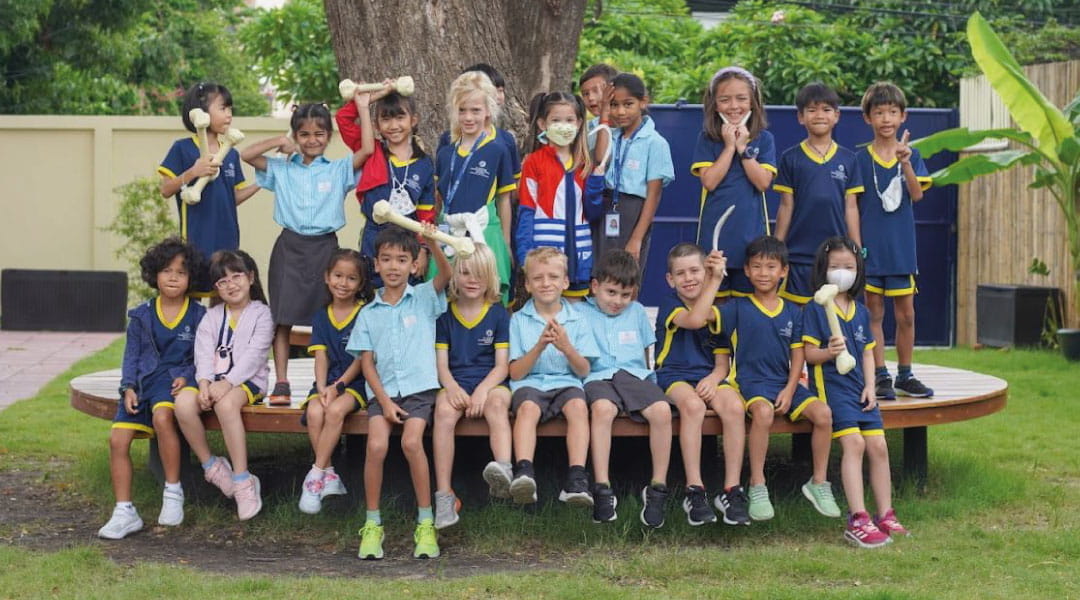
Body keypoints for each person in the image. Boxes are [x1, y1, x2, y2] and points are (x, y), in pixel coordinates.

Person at [241, 102, 374, 406]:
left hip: (326, 248)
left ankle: (327, 378)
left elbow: (367, 149)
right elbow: (245, 154)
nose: (312, 140)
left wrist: (363, 108)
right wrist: (280, 141)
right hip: (289, 247)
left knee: (327, 313)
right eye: (304, 134)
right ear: (295, 136)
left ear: (329, 136)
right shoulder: (281, 169)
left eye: (319, 134)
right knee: (282, 317)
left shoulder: (339, 169)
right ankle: (282, 381)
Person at [347, 224, 451, 560]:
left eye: (402, 259)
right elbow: (366, 364)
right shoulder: (367, 314)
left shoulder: (424, 298)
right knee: (376, 445)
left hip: (419, 391)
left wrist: (433, 243)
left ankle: (426, 522)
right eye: (387, 259)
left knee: (410, 442)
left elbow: (446, 274)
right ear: (376, 264)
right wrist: (385, 401)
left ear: (414, 265)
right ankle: (373, 524)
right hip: (383, 393)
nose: (394, 266)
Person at [719, 236, 839, 522]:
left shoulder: (793, 311)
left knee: (824, 414)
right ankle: (757, 484)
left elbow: (798, 355)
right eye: (756, 266)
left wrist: (789, 388)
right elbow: (705, 322)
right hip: (750, 383)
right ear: (746, 270)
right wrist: (713, 276)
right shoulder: (736, 307)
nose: (763, 273)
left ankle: (819, 482)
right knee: (763, 413)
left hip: (784, 383)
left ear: (784, 271)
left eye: (771, 266)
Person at [803, 237, 910, 548]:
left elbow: (867, 353)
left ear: (859, 271)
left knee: (879, 446)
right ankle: (858, 518)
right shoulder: (815, 308)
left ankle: (885, 514)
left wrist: (871, 386)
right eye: (835, 266)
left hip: (860, 391)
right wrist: (828, 352)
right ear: (823, 269)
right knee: (854, 444)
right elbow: (808, 354)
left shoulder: (861, 311)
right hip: (833, 391)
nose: (842, 272)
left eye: (849, 267)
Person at [98, 238, 206, 539]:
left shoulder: (199, 316)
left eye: (181, 272)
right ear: (154, 274)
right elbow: (131, 356)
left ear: (191, 278)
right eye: (167, 270)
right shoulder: (141, 315)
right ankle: (124, 511)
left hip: (170, 384)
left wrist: (187, 377)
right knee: (117, 440)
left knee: (162, 417)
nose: (173, 277)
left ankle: (172, 492)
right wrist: (128, 386)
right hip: (142, 384)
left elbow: (202, 358)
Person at [174, 250, 274, 521]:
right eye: (223, 281)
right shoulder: (212, 316)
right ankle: (213, 467)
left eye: (236, 276)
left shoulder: (262, 314)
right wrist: (204, 384)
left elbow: (255, 356)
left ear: (250, 277)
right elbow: (203, 352)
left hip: (248, 381)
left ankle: (242, 479)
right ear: (216, 288)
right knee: (183, 404)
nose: (231, 285)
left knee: (227, 405)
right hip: (214, 381)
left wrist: (227, 383)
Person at [654, 243, 749, 527]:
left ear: (704, 272)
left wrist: (713, 378)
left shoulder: (717, 313)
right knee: (693, 406)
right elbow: (694, 320)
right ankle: (694, 490)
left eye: (695, 271)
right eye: (680, 273)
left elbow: (722, 362)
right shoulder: (670, 305)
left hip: (708, 376)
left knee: (734, 407)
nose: (689, 278)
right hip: (674, 375)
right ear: (670, 279)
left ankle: (731, 490)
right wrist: (715, 279)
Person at [580, 250, 673, 528]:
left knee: (662, 410)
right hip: (598, 376)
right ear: (595, 286)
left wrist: (647, 385)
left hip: (633, 376)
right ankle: (602, 487)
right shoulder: (579, 313)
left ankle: (657, 488)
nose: (617, 301)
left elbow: (645, 355)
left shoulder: (637, 311)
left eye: (625, 295)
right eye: (611, 292)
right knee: (603, 409)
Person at [856, 82, 934, 399]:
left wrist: (905, 162)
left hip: (901, 251)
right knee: (873, 313)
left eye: (892, 112)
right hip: (870, 251)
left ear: (903, 116)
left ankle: (905, 374)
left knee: (907, 315)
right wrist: (857, 248)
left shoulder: (911, 156)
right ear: (867, 118)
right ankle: (880, 375)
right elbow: (852, 206)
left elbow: (917, 194)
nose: (886, 119)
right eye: (879, 113)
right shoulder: (859, 159)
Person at [507, 247, 599, 506]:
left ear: (565, 282)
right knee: (527, 409)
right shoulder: (518, 320)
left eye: (553, 277)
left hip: (566, 382)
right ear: (527, 285)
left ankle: (577, 479)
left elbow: (584, 370)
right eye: (538, 278)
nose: (546, 283)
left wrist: (566, 348)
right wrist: (539, 347)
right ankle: (524, 472)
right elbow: (515, 372)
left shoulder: (578, 319)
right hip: (530, 383)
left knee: (578, 407)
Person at [431, 245, 513, 529]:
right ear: (455, 275)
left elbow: (502, 366)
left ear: (491, 277)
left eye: (480, 274)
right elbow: (442, 366)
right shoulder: (444, 314)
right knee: (443, 412)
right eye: (465, 272)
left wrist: (482, 391)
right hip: (456, 381)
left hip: (491, 381)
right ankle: (444, 496)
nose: (472, 280)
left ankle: (504, 470)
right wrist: (453, 388)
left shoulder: (498, 314)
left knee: (497, 405)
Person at [157, 82, 258, 295]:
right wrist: (193, 172)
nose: (229, 115)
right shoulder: (182, 148)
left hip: (228, 240)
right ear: (200, 111)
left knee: (224, 295)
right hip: (195, 241)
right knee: (192, 295)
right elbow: (165, 189)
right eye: (222, 108)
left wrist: (262, 184)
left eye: (230, 109)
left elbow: (233, 198)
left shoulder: (231, 154)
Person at [297, 249, 373, 515]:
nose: (343, 283)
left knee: (336, 410)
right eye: (338, 276)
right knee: (315, 411)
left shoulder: (365, 313)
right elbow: (321, 356)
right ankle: (329, 475)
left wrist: (338, 386)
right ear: (327, 277)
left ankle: (315, 475)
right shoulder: (321, 316)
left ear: (360, 284)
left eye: (351, 278)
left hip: (356, 382)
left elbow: (361, 359)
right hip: (327, 382)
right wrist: (321, 387)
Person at [773, 82, 864, 304]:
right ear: (800, 117)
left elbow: (851, 206)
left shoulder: (849, 159)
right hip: (798, 255)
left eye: (826, 109)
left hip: (835, 257)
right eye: (812, 110)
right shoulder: (790, 157)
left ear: (836, 116)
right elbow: (786, 205)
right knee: (798, 312)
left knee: (831, 314)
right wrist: (777, 246)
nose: (819, 115)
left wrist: (856, 248)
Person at [692, 66, 776, 299]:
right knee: (713, 302)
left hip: (752, 238)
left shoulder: (764, 139)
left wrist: (742, 148)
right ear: (714, 105)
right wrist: (729, 147)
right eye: (725, 100)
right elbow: (709, 181)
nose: (734, 106)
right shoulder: (707, 138)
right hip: (714, 239)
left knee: (748, 304)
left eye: (741, 98)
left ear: (753, 102)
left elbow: (763, 183)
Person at [435, 71, 517, 302]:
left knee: (490, 296)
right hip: (450, 233)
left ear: (488, 110)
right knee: (445, 298)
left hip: (485, 232)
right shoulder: (445, 153)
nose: (468, 117)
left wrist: (505, 242)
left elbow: (504, 199)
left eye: (475, 110)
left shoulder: (498, 150)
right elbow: (439, 199)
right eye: (462, 110)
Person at [516, 91, 604, 298]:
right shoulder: (534, 162)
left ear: (579, 123)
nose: (563, 126)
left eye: (569, 120)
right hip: (544, 256)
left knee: (575, 309)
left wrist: (596, 183)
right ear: (542, 124)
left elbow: (593, 213)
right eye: (556, 120)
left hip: (579, 256)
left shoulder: (585, 163)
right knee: (546, 307)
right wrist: (524, 255)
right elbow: (526, 210)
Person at [341, 89, 436, 268]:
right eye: (385, 119)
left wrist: (423, 248)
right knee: (372, 283)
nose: (393, 125)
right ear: (376, 125)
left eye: (400, 117)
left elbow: (426, 212)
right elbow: (343, 119)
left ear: (413, 120)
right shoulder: (371, 151)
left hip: (408, 242)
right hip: (374, 238)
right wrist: (369, 100)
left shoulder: (425, 164)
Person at [598, 73, 674, 280]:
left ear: (643, 102)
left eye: (628, 104)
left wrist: (637, 238)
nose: (620, 111)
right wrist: (604, 113)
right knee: (601, 274)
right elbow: (599, 158)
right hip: (604, 209)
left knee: (627, 276)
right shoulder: (609, 135)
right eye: (614, 105)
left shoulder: (655, 142)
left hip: (634, 213)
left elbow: (653, 195)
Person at [578, 63, 619, 165]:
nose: (590, 98)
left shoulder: (630, 127)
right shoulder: (585, 130)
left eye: (596, 91)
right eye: (585, 94)